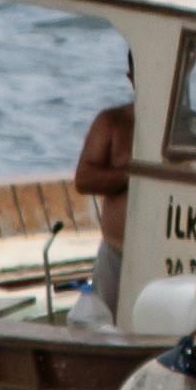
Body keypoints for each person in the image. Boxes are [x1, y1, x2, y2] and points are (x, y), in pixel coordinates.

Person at [70, 95, 136, 324]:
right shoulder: (113, 122)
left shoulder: (194, 124)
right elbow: (84, 179)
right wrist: (132, 174)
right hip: (118, 252)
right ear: (132, 75)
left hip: (176, 251)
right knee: (107, 325)